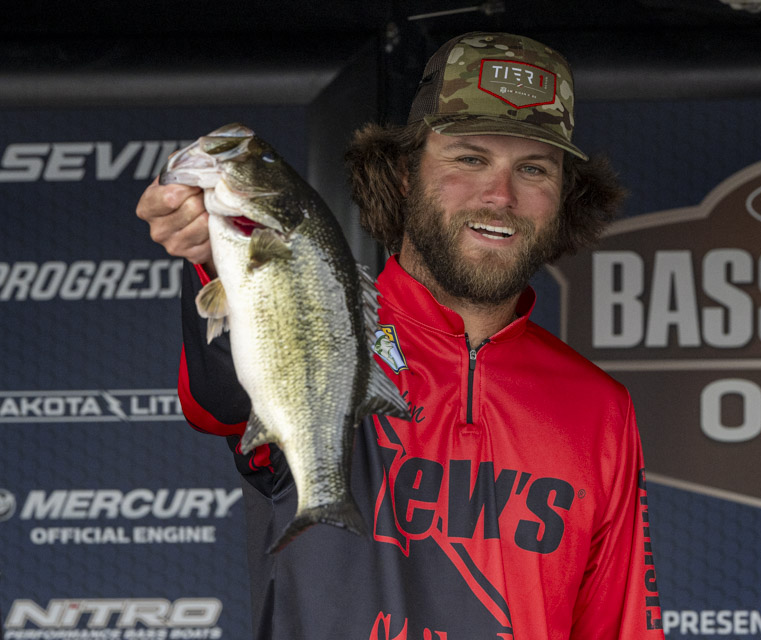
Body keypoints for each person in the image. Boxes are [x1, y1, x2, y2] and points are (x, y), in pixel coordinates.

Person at [137, 31, 664, 640]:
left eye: (533, 169)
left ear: (563, 196)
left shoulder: (600, 407)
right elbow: (220, 400)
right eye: (469, 159)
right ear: (405, 173)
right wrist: (213, 253)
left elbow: (619, 626)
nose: (500, 196)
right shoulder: (325, 320)